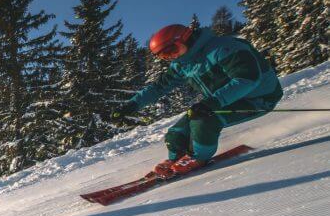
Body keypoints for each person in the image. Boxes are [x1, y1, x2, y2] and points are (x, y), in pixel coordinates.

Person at [115, 23, 282, 178]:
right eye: (163, 56)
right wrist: (131, 106)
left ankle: (199, 158)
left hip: (259, 97)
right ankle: (177, 159)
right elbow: (159, 87)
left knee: (203, 120)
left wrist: (212, 103)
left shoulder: (224, 48)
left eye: (171, 50)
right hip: (225, 100)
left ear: (185, 38)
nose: (170, 57)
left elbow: (247, 79)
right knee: (175, 134)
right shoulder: (182, 64)